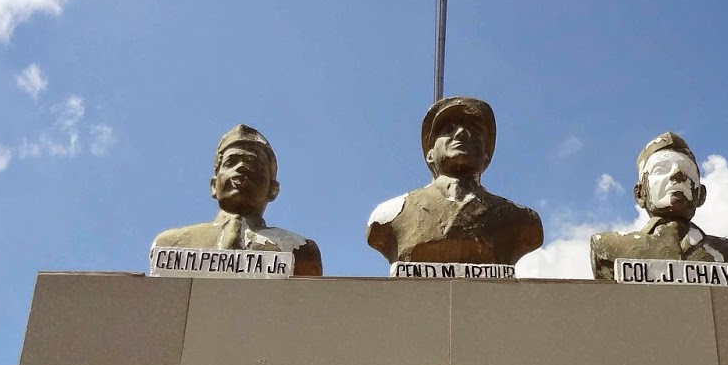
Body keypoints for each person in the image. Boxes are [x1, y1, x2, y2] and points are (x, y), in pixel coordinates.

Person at [366, 96, 543, 267]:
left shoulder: (519, 219)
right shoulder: (390, 214)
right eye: (448, 129)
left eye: (475, 130)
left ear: (487, 155)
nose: (461, 133)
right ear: (430, 154)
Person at [151, 124, 322, 276]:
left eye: (253, 163)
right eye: (231, 162)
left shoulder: (301, 252)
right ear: (213, 186)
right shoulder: (171, 244)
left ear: (273, 189)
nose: (241, 167)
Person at [590, 132, 728, 280]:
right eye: (661, 169)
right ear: (640, 193)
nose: (677, 175)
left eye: (687, 170)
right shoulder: (611, 247)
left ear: (701, 195)